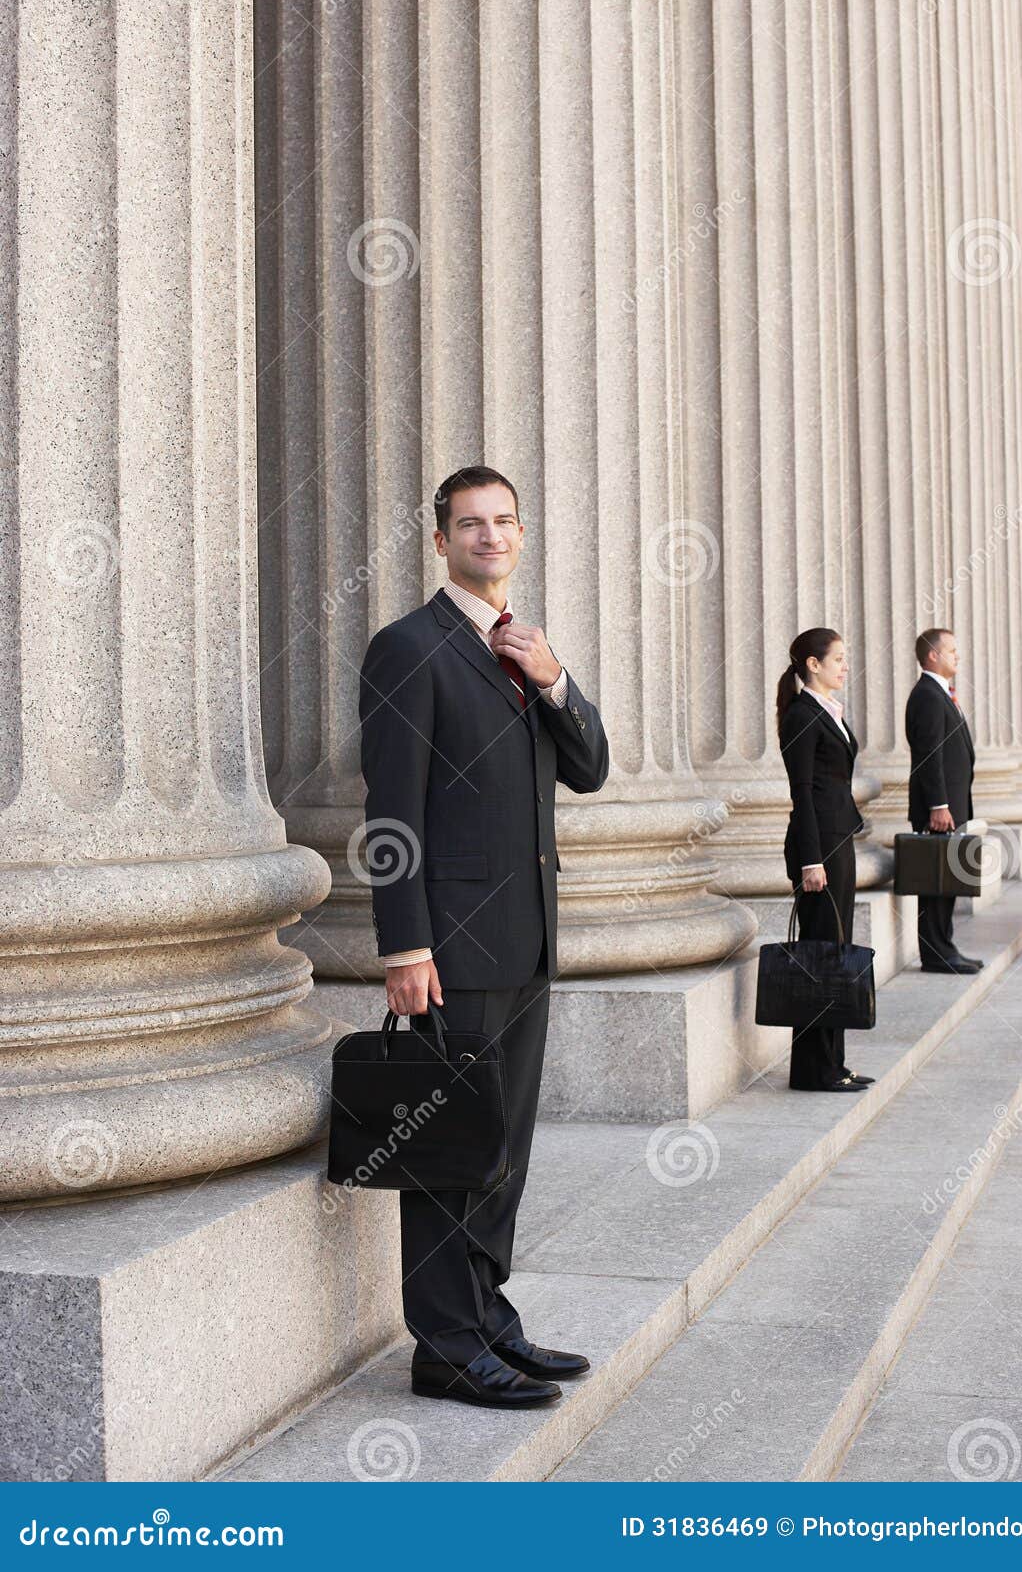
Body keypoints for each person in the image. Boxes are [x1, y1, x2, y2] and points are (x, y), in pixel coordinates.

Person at [358, 465, 610, 1410]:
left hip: (528, 939)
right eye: (471, 524)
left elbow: (590, 769)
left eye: (504, 521)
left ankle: (487, 1320)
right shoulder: (407, 649)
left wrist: (556, 682)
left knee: (502, 1148)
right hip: (451, 952)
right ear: (440, 541)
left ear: (519, 534)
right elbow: (391, 813)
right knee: (449, 1150)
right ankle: (448, 1348)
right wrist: (404, 946)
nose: (490, 536)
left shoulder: (526, 651)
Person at [776, 628, 874, 1093]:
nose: (844, 665)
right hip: (819, 849)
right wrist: (811, 860)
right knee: (820, 956)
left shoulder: (827, 712)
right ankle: (815, 1070)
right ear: (812, 665)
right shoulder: (802, 715)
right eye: (837, 658)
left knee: (836, 952)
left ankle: (834, 1062)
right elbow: (803, 795)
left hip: (838, 840)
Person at [904, 628, 983, 974]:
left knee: (948, 879)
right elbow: (928, 754)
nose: (957, 656)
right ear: (932, 655)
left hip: (952, 804)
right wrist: (938, 804)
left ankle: (945, 946)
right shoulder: (926, 696)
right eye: (951, 650)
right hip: (940, 809)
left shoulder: (941, 694)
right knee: (935, 881)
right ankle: (936, 953)